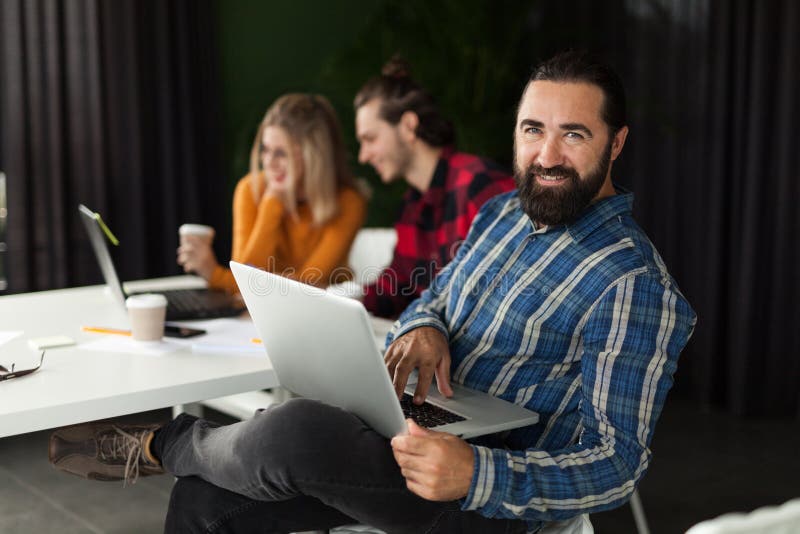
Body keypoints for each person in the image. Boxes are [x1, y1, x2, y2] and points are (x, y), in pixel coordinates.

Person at [49, 51, 696, 533]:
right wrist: (425, 328)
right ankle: (180, 456)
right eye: (533, 129)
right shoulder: (503, 215)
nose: (547, 154)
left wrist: (478, 473)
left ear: (616, 142)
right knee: (206, 501)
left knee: (298, 430)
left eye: (573, 134)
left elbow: (616, 464)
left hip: (481, 501)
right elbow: (432, 298)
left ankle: (166, 444)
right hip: (414, 431)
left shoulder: (633, 285)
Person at [354, 56, 515, 318]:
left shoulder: (480, 185)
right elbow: (396, 289)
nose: (363, 156)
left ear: (408, 126)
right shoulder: (411, 207)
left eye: (370, 139)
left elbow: (514, 292)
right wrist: (341, 300)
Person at [177, 93, 367, 290]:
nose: (268, 162)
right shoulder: (250, 189)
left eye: (281, 153)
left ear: (314, 157)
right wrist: (272, 203)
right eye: (265, 150)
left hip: (323, 307)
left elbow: (305, 288)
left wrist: (214, 274)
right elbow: (245, 277)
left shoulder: (348, 202)